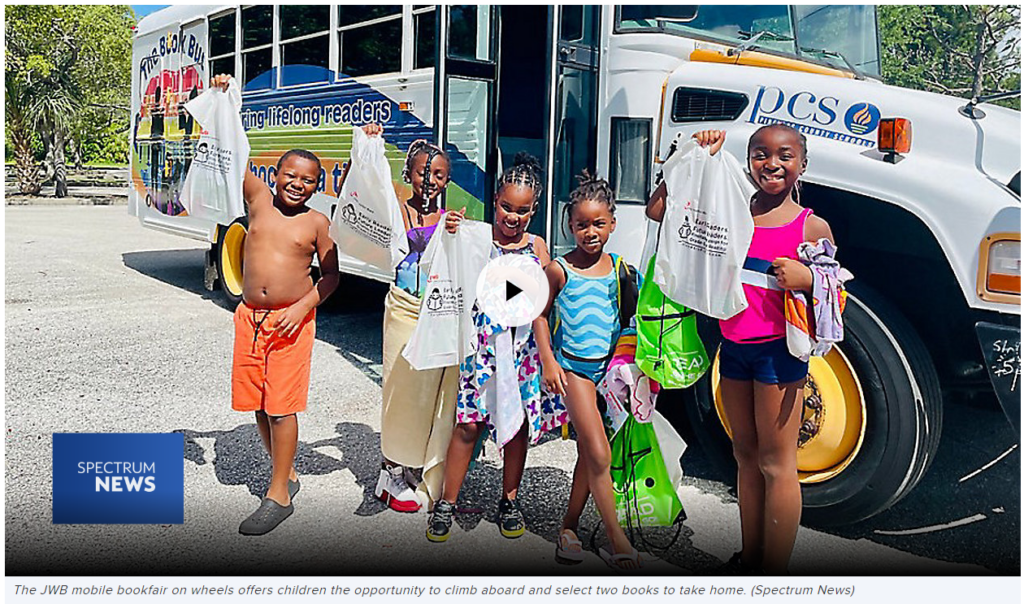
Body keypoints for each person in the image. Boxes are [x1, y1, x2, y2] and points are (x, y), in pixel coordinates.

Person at [647, 125, 834, 574]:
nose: (771, 164)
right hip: (732, 349)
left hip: (778, 354)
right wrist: (691, 156)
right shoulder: (730, 210)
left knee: (776, 463)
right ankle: (750, 557)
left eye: (784, 155)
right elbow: (658, 212)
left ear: (802, 164)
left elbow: (834, 291)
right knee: (744, 455)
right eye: (759, 154)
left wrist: (807, 278)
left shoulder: (810, 225)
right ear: (747, 161)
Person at [208, 74, 341, 535]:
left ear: (317, 186)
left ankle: (279, 493)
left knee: (282, 406)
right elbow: (229, 148)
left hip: (290, 323)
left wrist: (301, 306)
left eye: (308, 180)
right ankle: (288, 472)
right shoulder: (259, 200)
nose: (297, 184)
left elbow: (331, 277)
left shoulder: (317, 223)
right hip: (250, 319)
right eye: (290, 175)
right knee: (259, 406)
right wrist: (226, 96)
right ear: (275, 174)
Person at [426, 153, 568, 542]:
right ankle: (446, 503)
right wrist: (450, 230)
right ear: (494, 203)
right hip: (481, 350)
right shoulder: (476, 236)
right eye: (506, 207)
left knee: (517, 426)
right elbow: (442, 263)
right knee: (468, 425)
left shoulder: (536, 247)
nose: (512, 217)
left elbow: (542, 304)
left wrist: (550, 356)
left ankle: (509, 500)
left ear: (534, 210)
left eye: (522, 211)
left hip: (522, 355)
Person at [534, 171, 643, 571]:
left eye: (599, 223)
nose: (590, 232)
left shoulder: (620, 269)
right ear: (570, 225)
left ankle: (569, 527)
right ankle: (617, 540)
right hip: (574, 373)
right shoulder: (559, 270)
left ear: (613, 223)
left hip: (610, 375)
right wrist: (548, 360)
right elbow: (539, 314)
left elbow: (633, 316)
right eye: (582, 224)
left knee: (589, 455)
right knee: (599, 451)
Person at [376, 136, 457, 513]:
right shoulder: (394, 208)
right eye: (424, 171)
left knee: (426, 395)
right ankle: (388, 472)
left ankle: (413, 465)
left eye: (439, 175)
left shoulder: (450, 218)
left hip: (436, 313)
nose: (431, 180)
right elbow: (358, 190)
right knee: (397, 386)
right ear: (408, 173)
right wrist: (367, 148)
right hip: (403, 308)